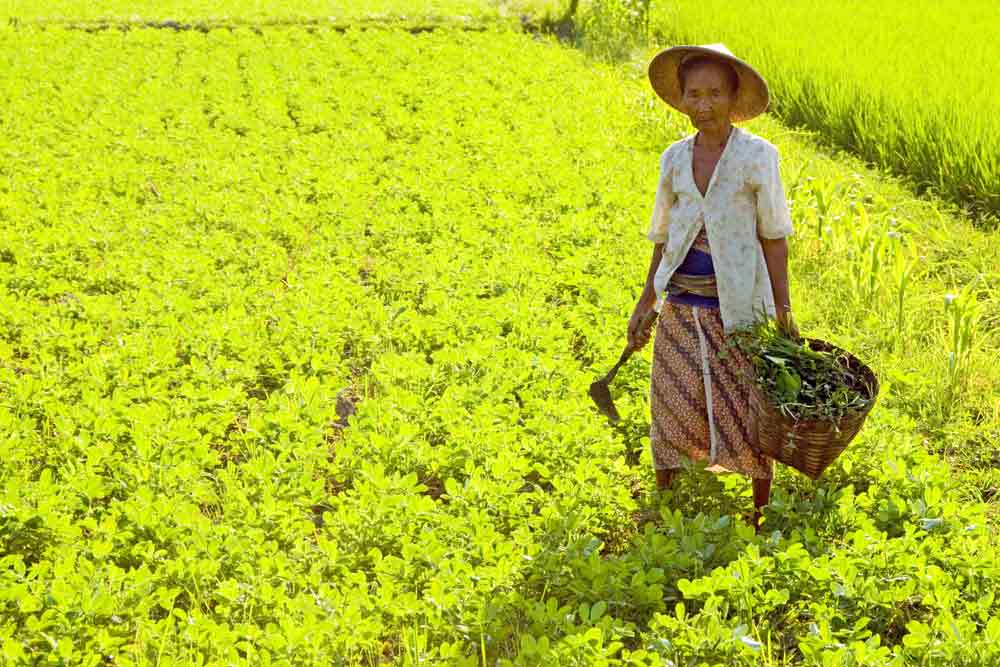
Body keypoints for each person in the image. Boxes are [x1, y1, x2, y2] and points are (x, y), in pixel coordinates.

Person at [627, 44, 797, 533]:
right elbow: (663, 235)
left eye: (714, 94)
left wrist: (783, 310)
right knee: (670, 398)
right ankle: (667, 503)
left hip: (738, 305)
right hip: (680, 300)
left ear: (733, 96)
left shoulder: (757, 157)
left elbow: (773, 234)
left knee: (748, 403)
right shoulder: (675, 158)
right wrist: (646, 300)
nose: (704, 106)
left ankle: (760, 506)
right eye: (694, 95)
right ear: (681, 99)